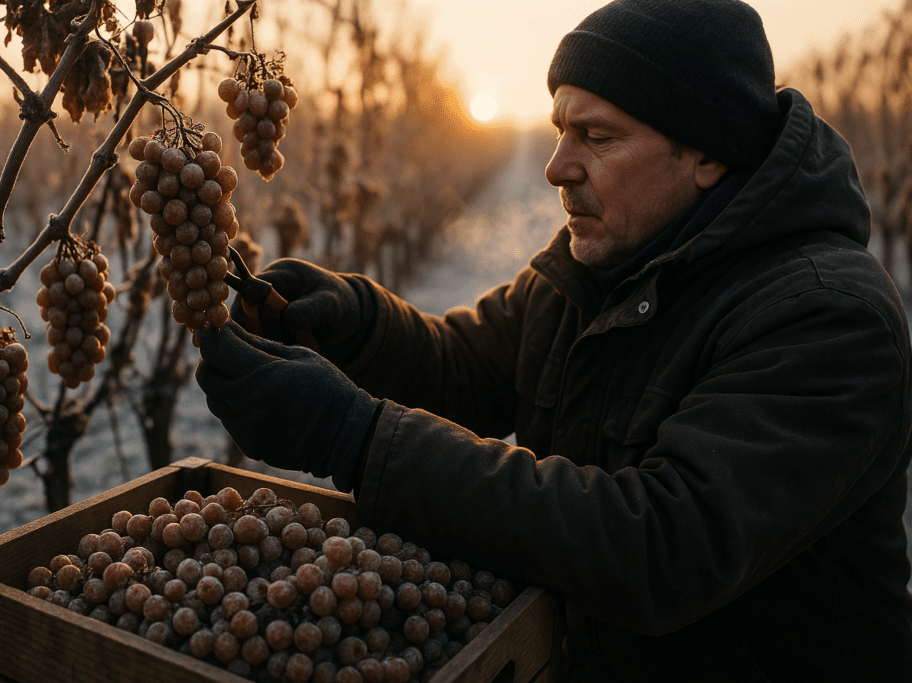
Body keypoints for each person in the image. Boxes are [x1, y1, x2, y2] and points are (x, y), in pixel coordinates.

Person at [194, 0, 912, 678]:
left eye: (597, 137)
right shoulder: (603, 263)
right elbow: (465, 367)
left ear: (707, 155)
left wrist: (353, 435)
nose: (555, 167)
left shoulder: (829, 317)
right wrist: (357, 320)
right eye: (561, 129)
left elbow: (658, 549)